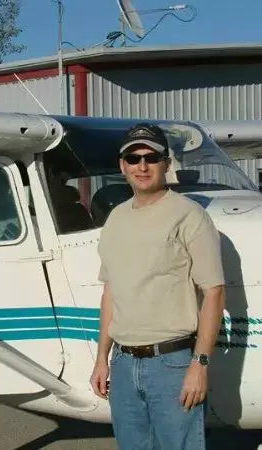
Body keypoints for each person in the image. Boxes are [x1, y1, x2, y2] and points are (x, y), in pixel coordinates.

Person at [89, 123, 225, 450]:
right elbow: (111, 293)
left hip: (172, 364)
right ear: (122, 166)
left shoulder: (189, 216)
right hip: (122, 365)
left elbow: (214, 292)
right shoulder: (116, 219)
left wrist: (200, 364)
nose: (142, 166)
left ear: (166, 163)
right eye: (133, 158)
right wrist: (101, 358)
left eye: (152, 157)